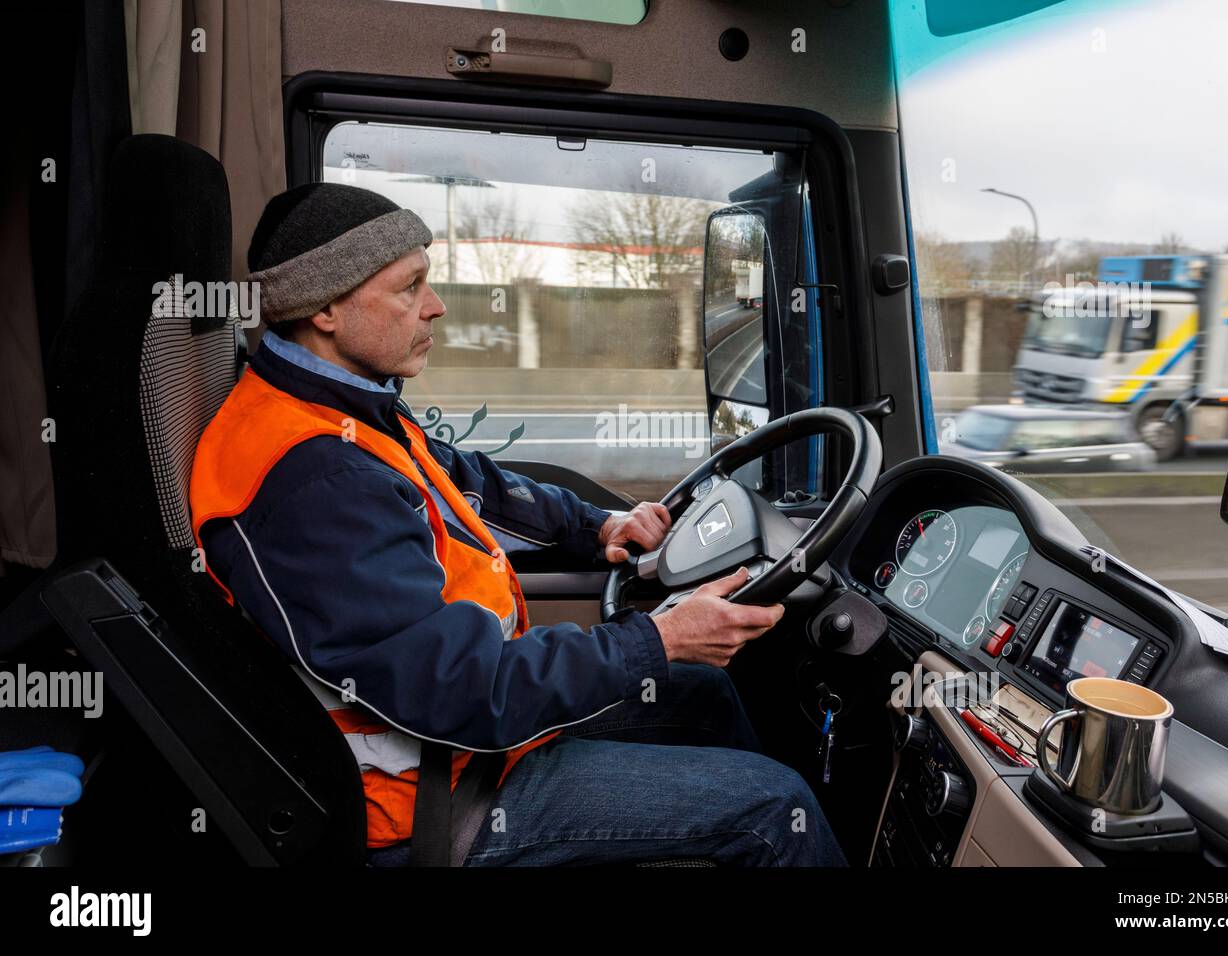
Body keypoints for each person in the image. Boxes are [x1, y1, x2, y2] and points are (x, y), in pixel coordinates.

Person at [189, 182, 847, 866]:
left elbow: (467, 480)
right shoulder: (314, 480)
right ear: (323, 307)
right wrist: (658, 641)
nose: (436, 306)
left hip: (469, 741)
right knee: (779, 806)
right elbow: (458, 690)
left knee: (704, 695)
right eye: (410, 287)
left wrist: (597, 526)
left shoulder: (339, 409)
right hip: (436, 797)